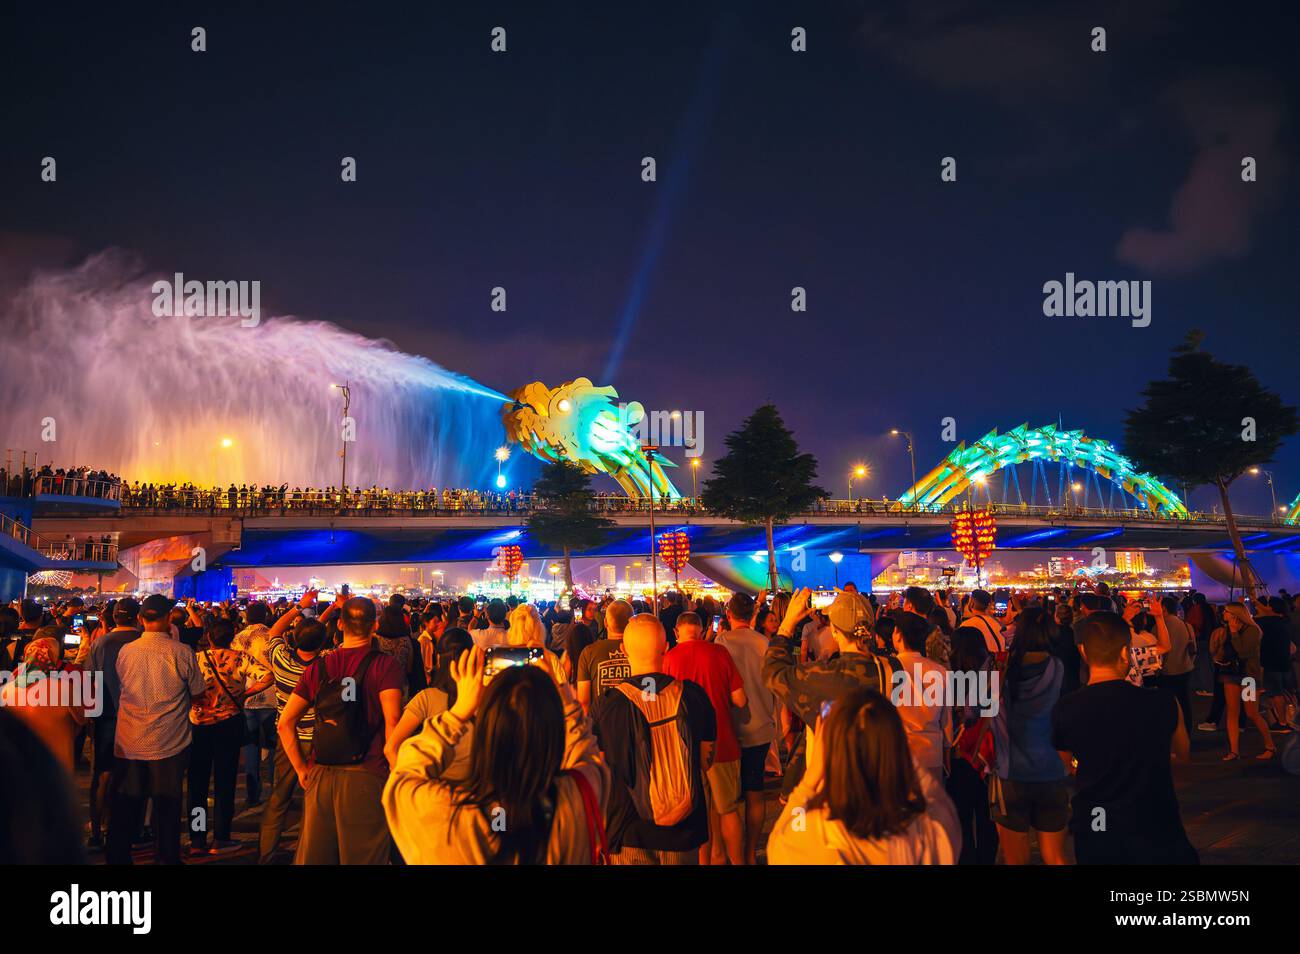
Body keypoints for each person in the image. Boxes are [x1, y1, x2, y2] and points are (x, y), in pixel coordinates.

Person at [382, 646, 610, 864]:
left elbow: (403, 778)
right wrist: (563, 698)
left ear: (484, 730)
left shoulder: (450, 816)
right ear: (553, 733)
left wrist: (459, 711)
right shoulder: (579, 796)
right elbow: (586, 750)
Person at [1052, 611, 1197, 864]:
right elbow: (1182, 755)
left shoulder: (1066, 708)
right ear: (1124, 653)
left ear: (1084, 652)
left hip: (1097, 820)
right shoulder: (1163, 702)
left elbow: (1065, 764)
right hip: (1155, 818)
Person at [767, 687, 960, 864]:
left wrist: (811, 776)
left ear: (828, 753)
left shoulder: (812, 836)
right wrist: (898, 748)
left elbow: (778, 840)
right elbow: (939, 801)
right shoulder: (927, 833)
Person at [279, 597, 404, 864]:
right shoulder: (385, 666)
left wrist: (302, 769)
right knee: (364, 855)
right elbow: (392, 719)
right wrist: (397, 771)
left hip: (321, 774)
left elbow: (285, 722)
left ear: (340, 624)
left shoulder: (319, 667)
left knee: (317, 855)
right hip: (367, 775)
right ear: (375, 625)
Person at [593, 614, 716, 865]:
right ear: (667, 647)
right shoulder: (693, 696)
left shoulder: (607, 705)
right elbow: (705, 761)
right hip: (684, 830)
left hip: (628, 832)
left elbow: (598, 772)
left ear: (624, 649)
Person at [108, 594, 208, 865]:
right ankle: (166, 858)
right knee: (167, 808)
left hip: (130, 740)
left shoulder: (126, 651)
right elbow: (199, 692)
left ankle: (118, 856)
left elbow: (122, 686)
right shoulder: (182, 652)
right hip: (169, 742)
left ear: (141, 619)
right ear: (167, 620)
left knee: (126, 805)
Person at [663, 609, 747, 865]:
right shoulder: (719, 653)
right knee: (728, 810)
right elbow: (740, 700)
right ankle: (736, 861)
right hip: (722, 743)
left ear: (677, 632)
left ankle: (709, 860)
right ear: (702, 630)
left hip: (686, 749)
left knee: (700, 814)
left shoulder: (668, 659)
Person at [988, 606, 1067, 865]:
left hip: (1010, 774)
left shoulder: (999, 668)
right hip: (1052, 770)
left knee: (1014, 859)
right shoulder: (1058, 668)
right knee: (1056, 856)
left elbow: (973, 710)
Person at [188, 618, 273, 855]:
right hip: (229, 722)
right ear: (232, 635)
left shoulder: (197, 658)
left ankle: (197, 838)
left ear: (210, 637)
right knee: (225, 782)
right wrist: (244, 694)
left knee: (198, 784)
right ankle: (221, 838)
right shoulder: (240, 658)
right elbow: (267, 676)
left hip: (200, 723)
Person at [257, 600, 332, 863]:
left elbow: (274, 632)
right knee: (315, 803)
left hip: (287, 737)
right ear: (323, 644)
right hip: (319, 738)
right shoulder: (327, 666)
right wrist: (334, 609)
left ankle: (266, 854)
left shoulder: (281, 658)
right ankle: (307, 854)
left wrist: (298, 608)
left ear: (295, 638)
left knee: (279, 798)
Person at [716, 596, 780, 865]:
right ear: (753, 615)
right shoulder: (764, 644)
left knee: (728, 801)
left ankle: (729, 852)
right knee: (755, 790)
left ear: (729, 614)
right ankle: (751, 850)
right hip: (760, 726)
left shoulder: (722, 643)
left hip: (731, 729)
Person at [83, 597, 142, 852]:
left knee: (102, 775)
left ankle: (97, 833)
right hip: (140, 718)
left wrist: (89, 720)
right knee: (136, 774)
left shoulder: (100, 643)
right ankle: (132, 831)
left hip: (106, 717)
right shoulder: (143, 642)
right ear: (137, 617)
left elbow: (88, 683)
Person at [889, 611, 951, 782]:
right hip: (932, 753)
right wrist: (946, 751)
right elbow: (946, 721)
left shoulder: (888, 668)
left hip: (900, 753)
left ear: (899, 635)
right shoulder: (939, 671)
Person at [1211, 603, 1276, 762]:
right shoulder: (1226, 630)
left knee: (1251, 713)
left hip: (1248, 676)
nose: (1223, 614)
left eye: (1226, 611)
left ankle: (1270, 746)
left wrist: (1234, 633)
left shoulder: (1252, 630)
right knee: (1232, 712)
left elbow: (1244, 651)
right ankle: (1234, 751)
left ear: (1235, 614)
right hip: (1230, 674)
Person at [233, 602, 279, 807]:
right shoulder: (275, 636)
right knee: (273, 746)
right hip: (272, 696)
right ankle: (277, 792)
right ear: (266, 616)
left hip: (247, 696)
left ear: (247, 617)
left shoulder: (238, 638)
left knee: (250, 746)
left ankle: (253, 793)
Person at [576, 599, 634, 714]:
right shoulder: (642, 651)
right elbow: (650, 694)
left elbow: (583, 702)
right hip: (635, 726)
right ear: (631, 622)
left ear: (606, 622)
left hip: (600, 726)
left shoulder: (589, 652)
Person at [1257, 597, 1296, 732]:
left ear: (1271, 608)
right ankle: (1287, 719)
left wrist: (1248, 603)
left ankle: (1282, 722)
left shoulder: (1267, 622)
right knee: (1283, 692)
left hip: (1268, 664)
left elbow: (1250, 620)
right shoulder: (1285, 621)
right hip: (1285, 662)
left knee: (1275, 693)